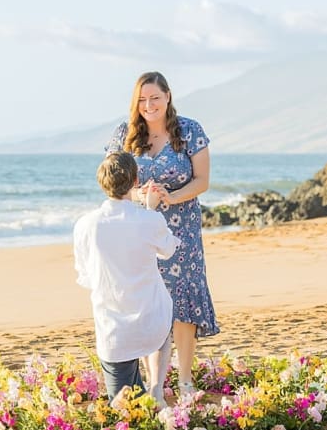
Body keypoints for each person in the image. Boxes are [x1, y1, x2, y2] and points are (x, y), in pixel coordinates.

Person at [105, 71, 219, 397]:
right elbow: (113, 181)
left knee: (183, 302)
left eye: (155, 97)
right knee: (149, 303)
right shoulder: (123, 135)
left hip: (182, 229)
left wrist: (171, 197)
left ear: (168, 96)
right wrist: (142, 196)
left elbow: (202, 180)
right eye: (142, 99)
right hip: (140, 229)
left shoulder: (190, 130)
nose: (149, 105)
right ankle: (154, 383)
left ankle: (184, 380)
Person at [73, 152, 179, 408]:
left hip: (113, 332)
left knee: (123, 409)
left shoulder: (85, 224)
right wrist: (150, 210)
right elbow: (169, 249)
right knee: (163, 318)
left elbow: (86, 276)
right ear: (135, 180)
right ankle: (156, 386)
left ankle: (150, 390)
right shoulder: (149, 218)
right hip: (151, 321)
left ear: (102, 183)